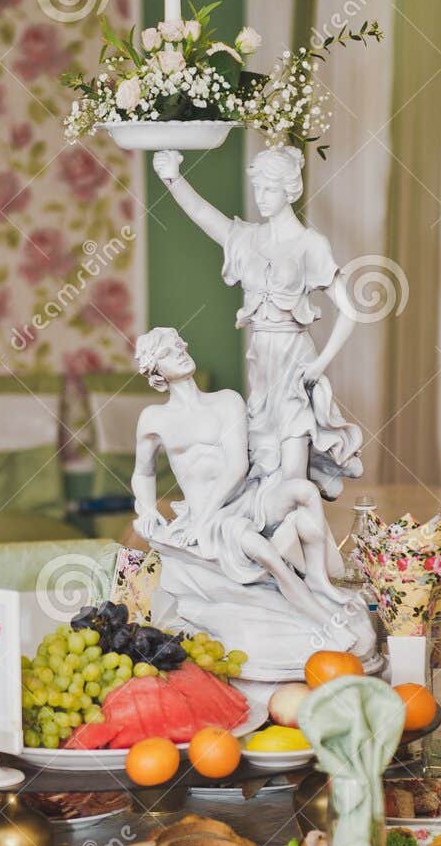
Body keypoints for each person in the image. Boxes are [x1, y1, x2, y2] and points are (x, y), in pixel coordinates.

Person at [151, 144, 363, 498]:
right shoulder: (247, 239)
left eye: (269, 188)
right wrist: (173, 178)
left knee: (293, 469)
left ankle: (300, 544)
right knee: (266, 464)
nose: (261, 197)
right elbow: (203, 214)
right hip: (262, 362)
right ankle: (280, 541)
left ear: (289, 190)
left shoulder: (310, 245)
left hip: (295, 361)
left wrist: (321, 363)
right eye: (257, 188)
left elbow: (351, 308)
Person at [131, 327, 355, 628]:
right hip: (210, 518)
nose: (180, 353)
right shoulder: (153, 418)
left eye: (179, 346)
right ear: (155, 371)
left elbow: (236, 468)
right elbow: (143, 472)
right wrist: (146, 508)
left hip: (245, 499)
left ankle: (317, 578)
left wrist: (203, 520)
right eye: (168, 353)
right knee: (266, 555)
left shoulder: (226, 401)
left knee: (304, 490)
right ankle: (323, 623)